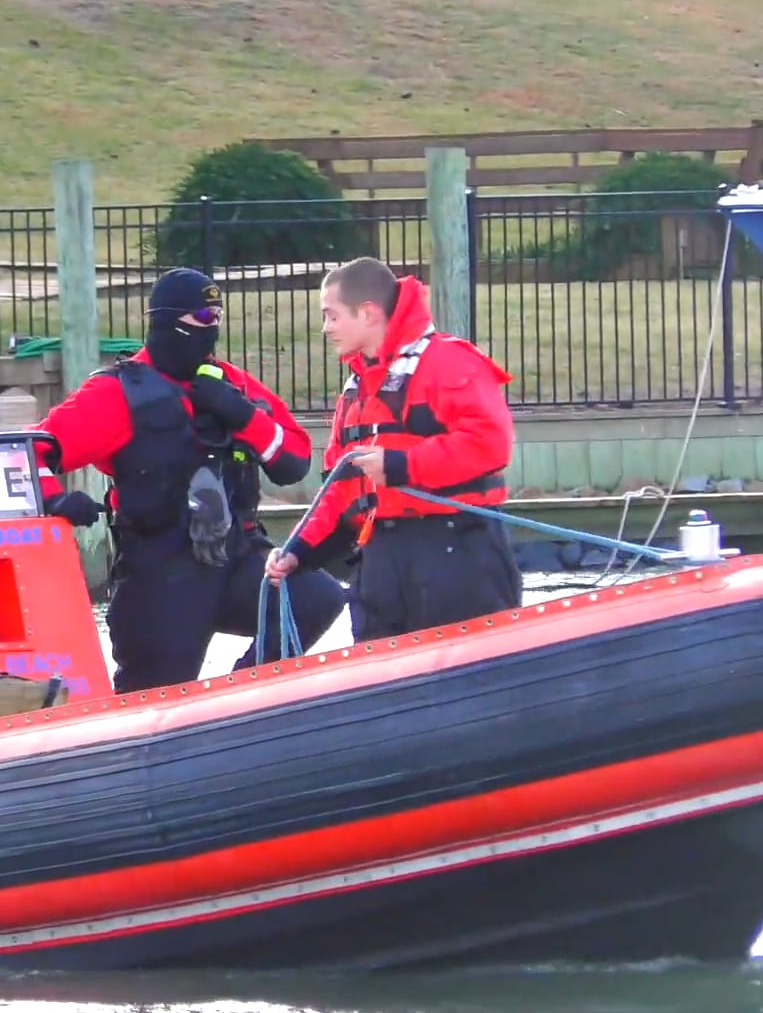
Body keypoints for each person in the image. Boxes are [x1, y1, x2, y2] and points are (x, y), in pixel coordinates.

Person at [28, 267, 347, 694]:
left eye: (217, 317)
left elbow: (291, 461)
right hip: (160, 573)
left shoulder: (232, 383)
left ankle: (238, 699)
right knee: (153, 705)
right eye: (202, 318)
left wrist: (241, 416)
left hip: (236, 557)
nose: (211, 329)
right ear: (167, 321)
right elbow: (31, 453)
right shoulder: (118, 393)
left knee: (315, 596)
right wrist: (57, 500)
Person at [265, 257, 524, 641]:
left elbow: (490, 443)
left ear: (367, 312)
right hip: (381, 561)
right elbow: (339, 489)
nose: (326, 328)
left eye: (333, 316)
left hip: (458, 553)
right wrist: (298, 550)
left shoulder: (450, 363)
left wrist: (403, 465)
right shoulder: (355, 393)